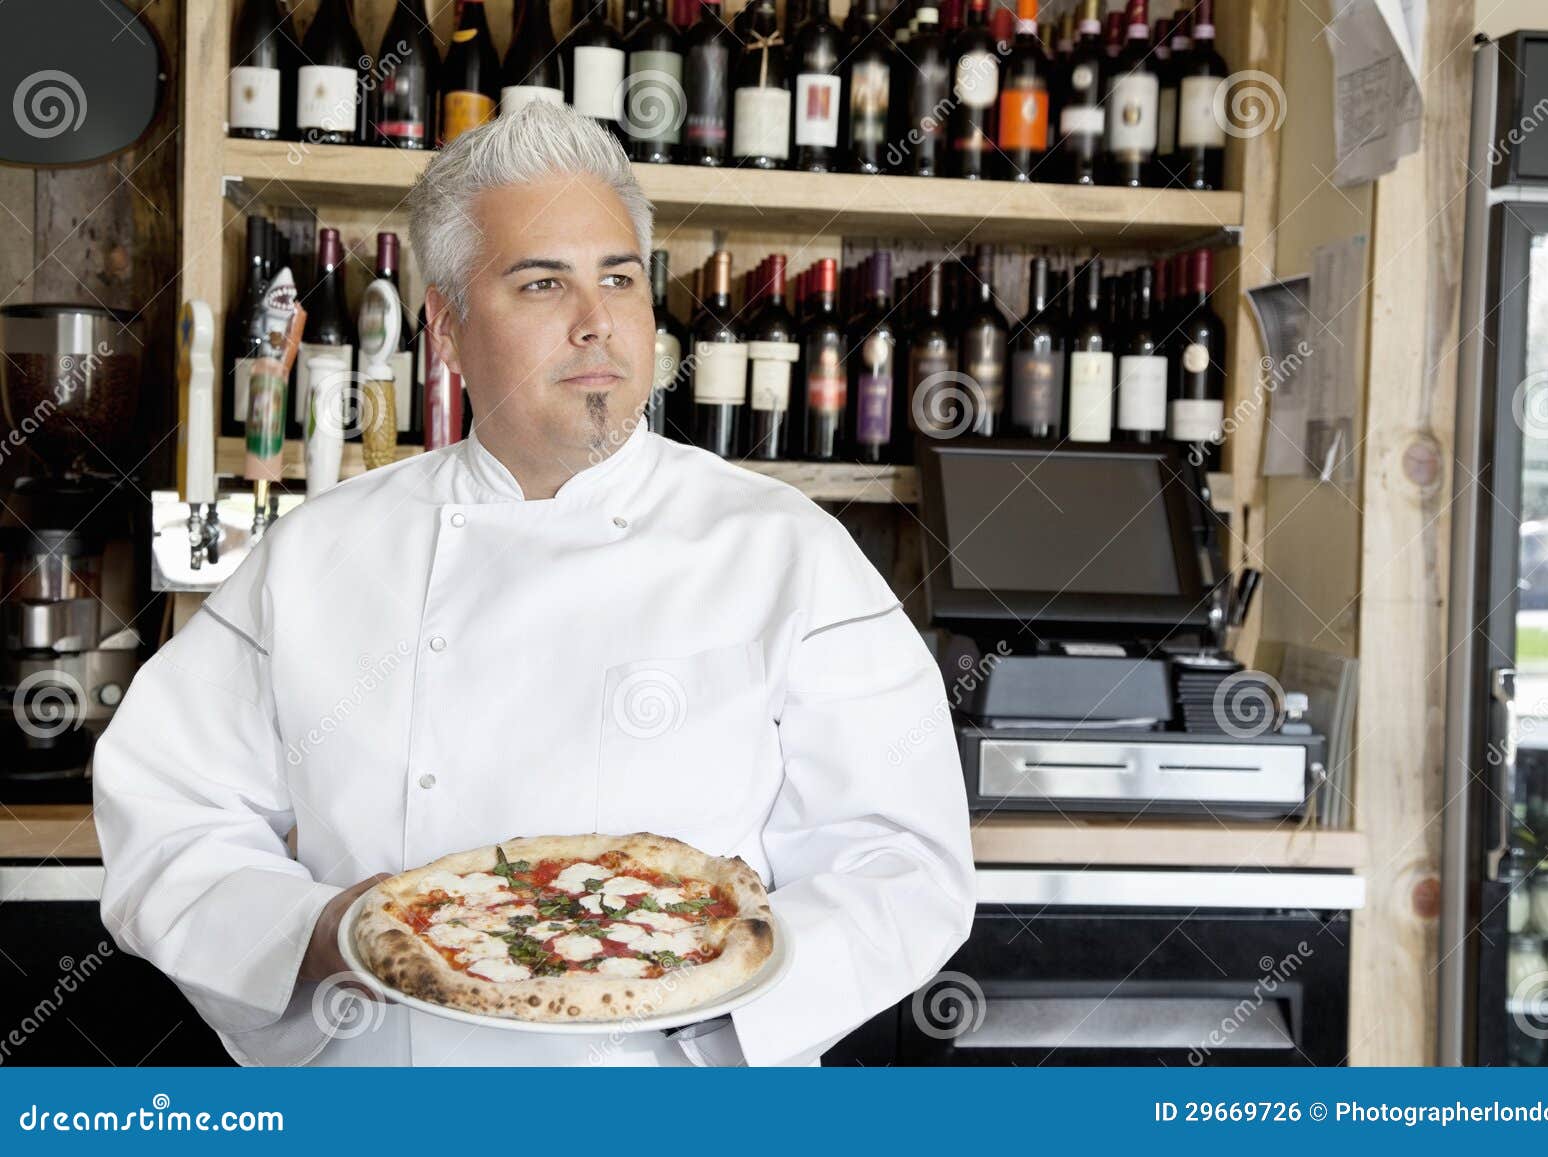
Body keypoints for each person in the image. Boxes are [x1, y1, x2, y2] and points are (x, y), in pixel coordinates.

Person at [93, 101, 976, 1066]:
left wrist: (694, 1006)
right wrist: (328, 932)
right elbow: (172, 819)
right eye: (543, 282)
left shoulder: (788, 552)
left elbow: (902, 860)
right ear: (445, 326)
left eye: (620, 279)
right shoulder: (314, 557)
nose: (596, 322)